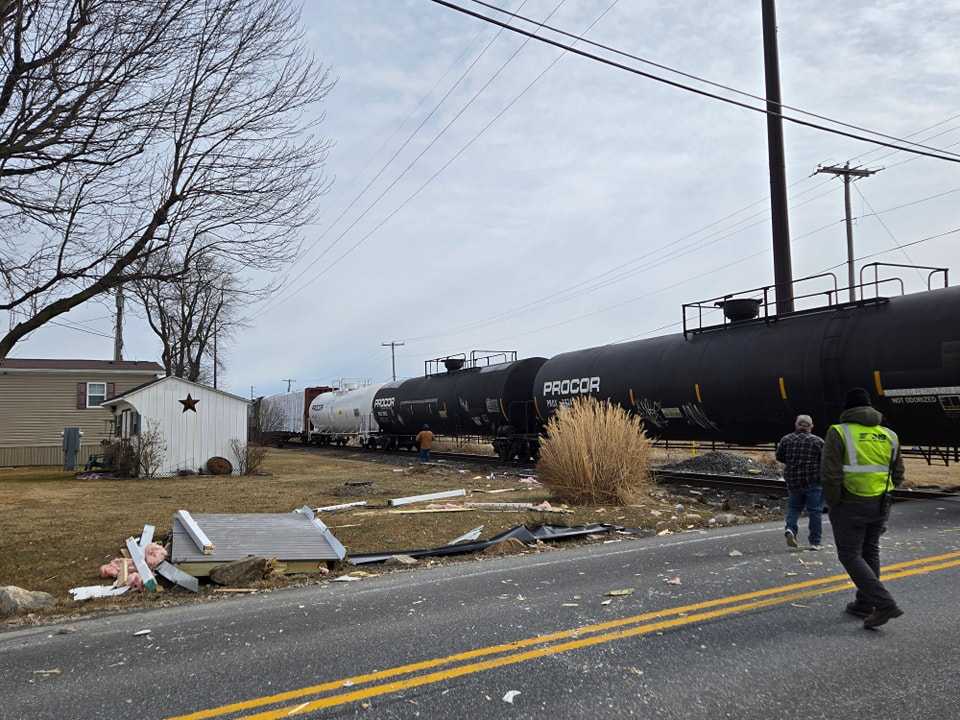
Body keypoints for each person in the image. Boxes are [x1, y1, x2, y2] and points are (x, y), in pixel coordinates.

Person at [822, 387, 905, 629]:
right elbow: (898, 473)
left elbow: (830, 474)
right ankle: (864, 603)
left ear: (847, 409)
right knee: (870, 551)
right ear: (871, 408)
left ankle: (884, 604)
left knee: (849, 554)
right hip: (881, 503)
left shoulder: (838, 432)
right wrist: (883, 489)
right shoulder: (889, 435)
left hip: (850, 503)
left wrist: (834, 501)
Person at [776, 414, 824, 550]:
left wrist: (793, 462)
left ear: (796, 425)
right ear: (811, 426)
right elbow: (825, 460)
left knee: (794, 508)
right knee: (815, 511)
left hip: (793, 481)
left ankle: (790, 529)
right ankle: (815, 542)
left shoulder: (786, 439)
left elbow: (779, 457)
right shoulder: (818, 441)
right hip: (813, 481)